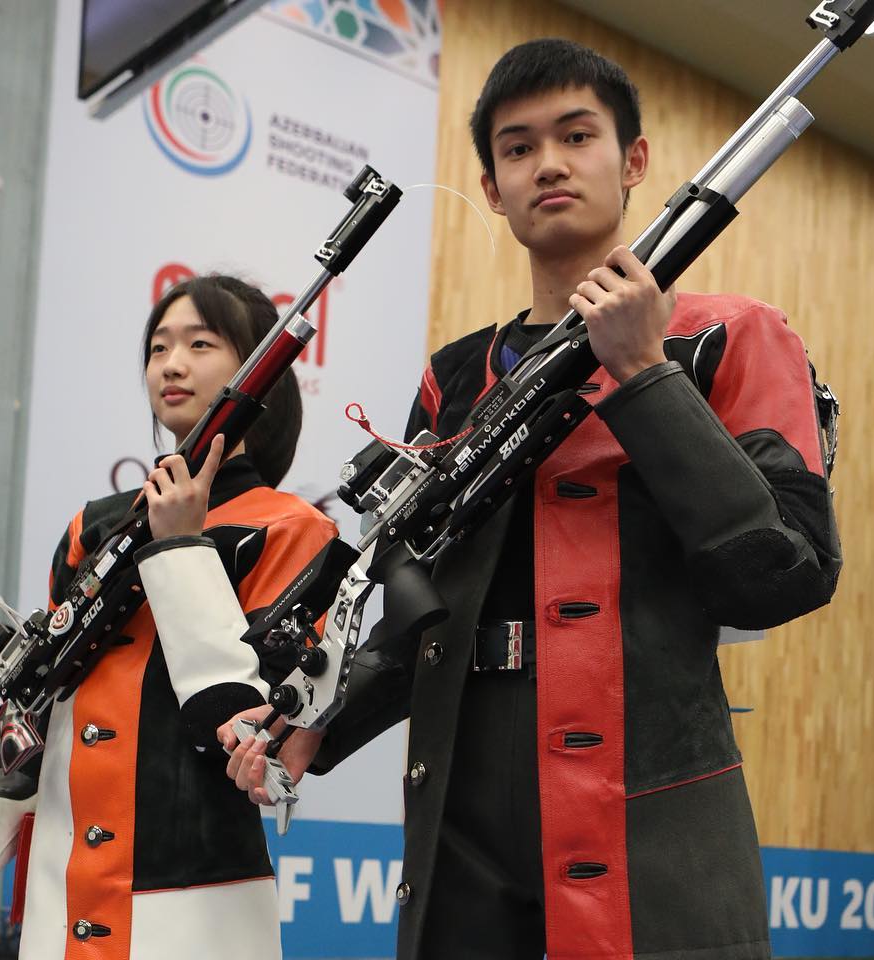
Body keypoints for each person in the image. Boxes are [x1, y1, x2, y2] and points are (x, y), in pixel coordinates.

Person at [224, 38, 842, 960]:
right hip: (463, 805)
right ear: (490, 186)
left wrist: (641, 370)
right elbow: (416, 598)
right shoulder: (454, 377)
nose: (547, 163)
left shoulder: (730, 336)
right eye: (517, 148)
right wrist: (321, 721)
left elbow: (783, 573)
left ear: (633, 161)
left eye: (575, 135)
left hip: (650, 810)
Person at [0, 274, 337, 959]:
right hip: (61, 896)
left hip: (195, 904)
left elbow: (253, 730)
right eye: (158, 346)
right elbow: (37, 709)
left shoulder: (294, 530)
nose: (170, 363)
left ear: (261, 369)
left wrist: (181, 546)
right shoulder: (93, 529)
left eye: (200, 343)